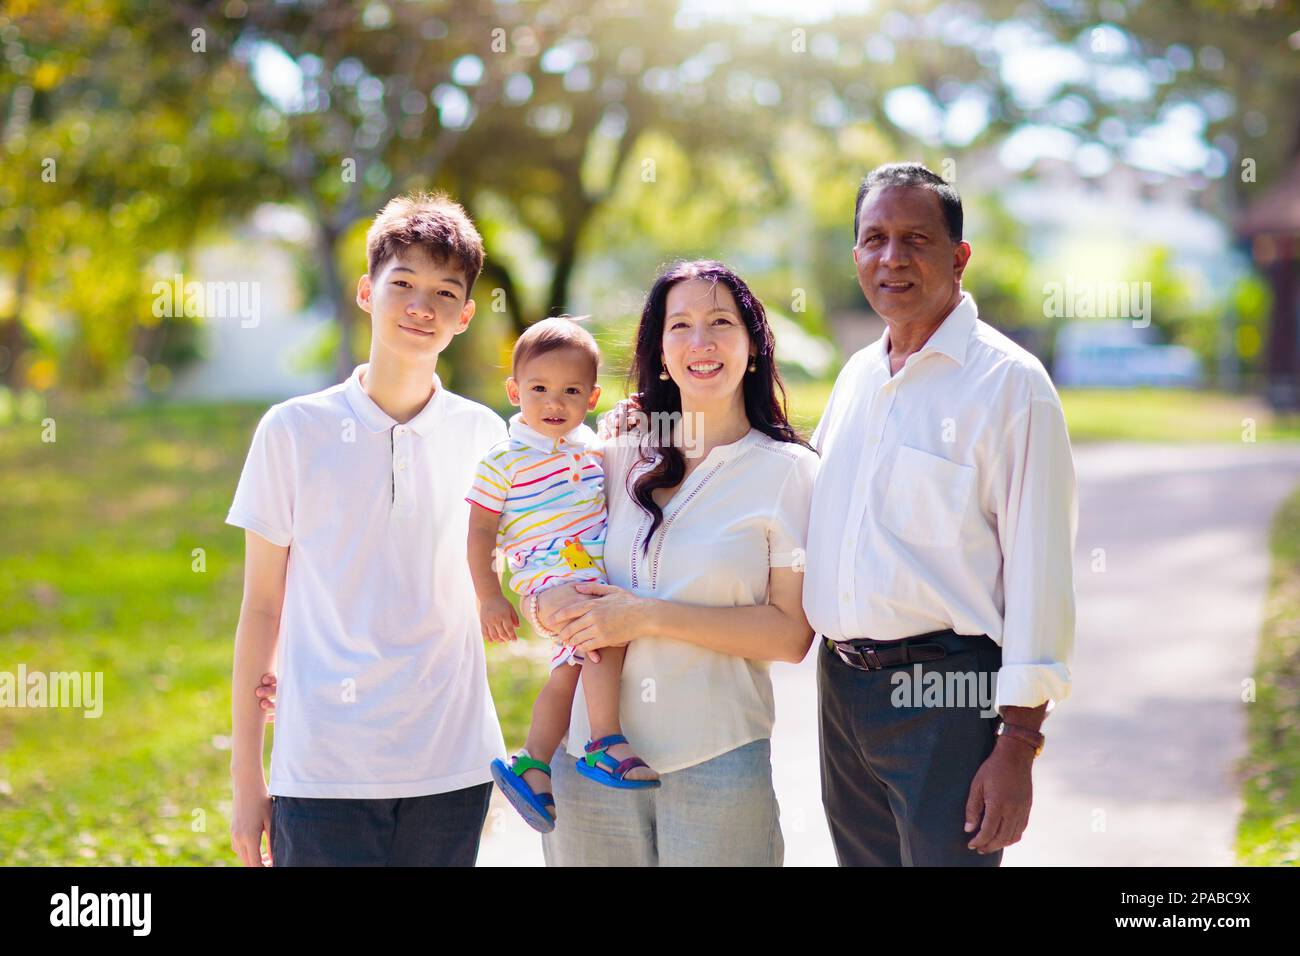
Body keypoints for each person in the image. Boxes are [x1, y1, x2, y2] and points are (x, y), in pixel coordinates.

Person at [805, 162, 1077, 866]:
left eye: (916, 239)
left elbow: (1041, 577)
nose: (892, 257)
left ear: (958, 257)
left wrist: (1019, 743)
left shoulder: (1011, 386)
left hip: (947, 695)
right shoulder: (858, 375)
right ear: (857, 254)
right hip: (840, 691)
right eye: (874, 238)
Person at [227, 192, 507, 867]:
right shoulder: (292, 430)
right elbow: (261, 605)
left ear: (465, 316)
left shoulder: (485, 436)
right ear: (365, 291)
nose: (422, 306)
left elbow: (540, 553)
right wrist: (247, 778)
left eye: (445, 293)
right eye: (402, 283)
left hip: (452, 764)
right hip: (321, 769)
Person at [529, 260, 819, 866]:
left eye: (720, 323)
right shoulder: (612, 452)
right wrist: (540, 602)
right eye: (679, 325)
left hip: (714, 761)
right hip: (588, 761)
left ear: (754, 346)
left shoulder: (790, 473)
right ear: (660, 351)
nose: (701, 342)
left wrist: (647, 617)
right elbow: (541, 541)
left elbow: (791, 635)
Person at [467, 317, 659, 836]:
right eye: (539, 389)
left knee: (569, 670)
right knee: (605, 637)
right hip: (548, 579)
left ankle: (533, 761)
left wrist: (632, 419)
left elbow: (618, 449)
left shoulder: (589, 449)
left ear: (591, 397)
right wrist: (489, 596)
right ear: (514, 391)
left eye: (571, 391)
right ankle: (603, 741)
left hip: (585, 575)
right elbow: (481, 532)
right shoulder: (503, 459)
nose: (554, 403)